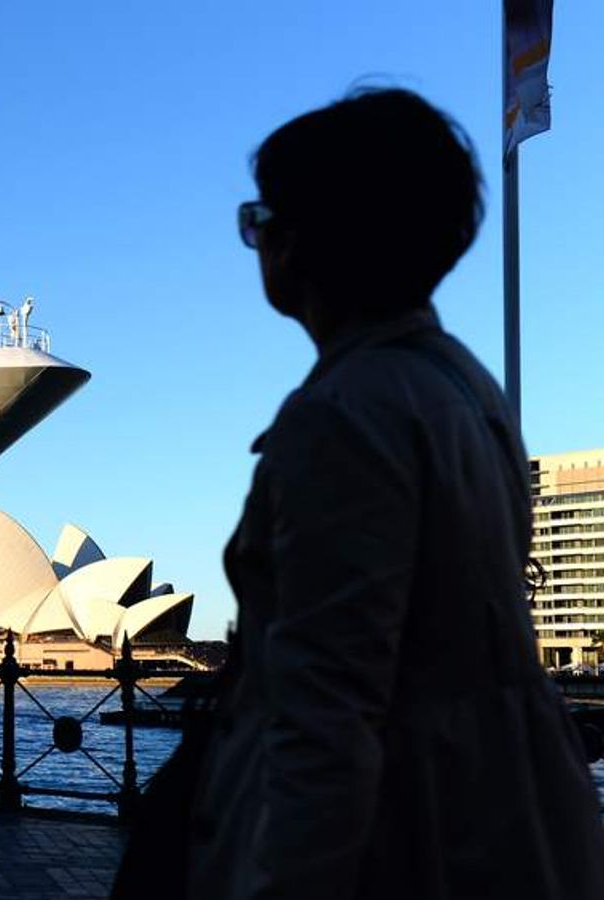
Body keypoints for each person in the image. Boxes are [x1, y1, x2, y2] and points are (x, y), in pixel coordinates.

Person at [186, 88, 604, 899]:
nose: (256, 238)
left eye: (262, 217)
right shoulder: (466, 387)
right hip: (508, 807)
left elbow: (328, 714)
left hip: (406, 835)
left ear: (312, 237)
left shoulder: (343, 415)